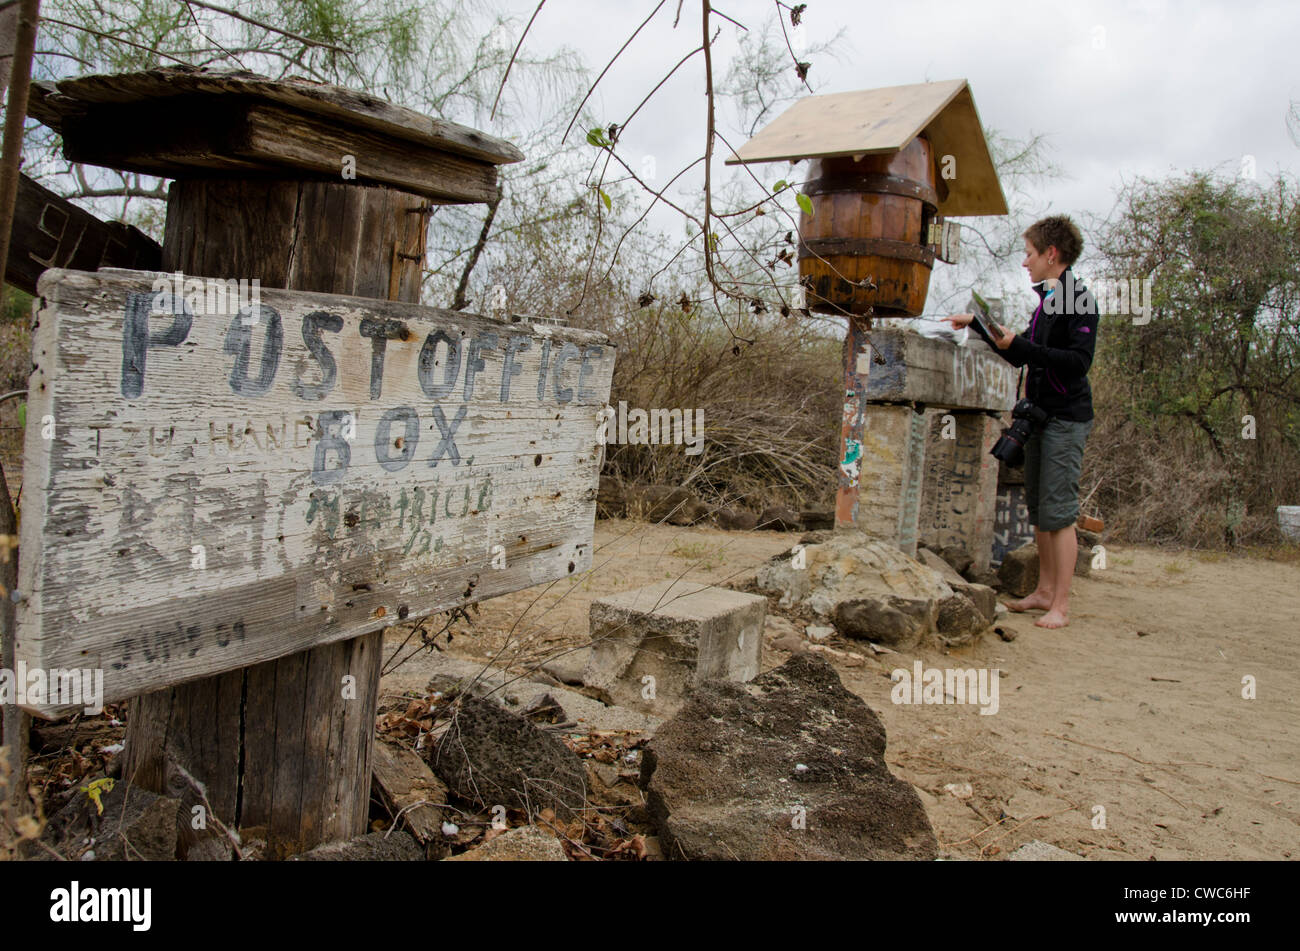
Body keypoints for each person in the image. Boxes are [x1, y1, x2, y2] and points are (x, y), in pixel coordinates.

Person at [946, 215, 1098, 629]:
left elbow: (1078, 363)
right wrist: (978, 326)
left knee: (1060, 513)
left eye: (1029, 253)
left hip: (1066, 418)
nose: (1025, 262)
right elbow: (1024, 354)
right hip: (1038, 416)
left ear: (1052, 254)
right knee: (1039, 510)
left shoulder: (1078, 299)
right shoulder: (1048, 301)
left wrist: (1024, 344)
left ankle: (1060, 606)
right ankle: (1044, 591)